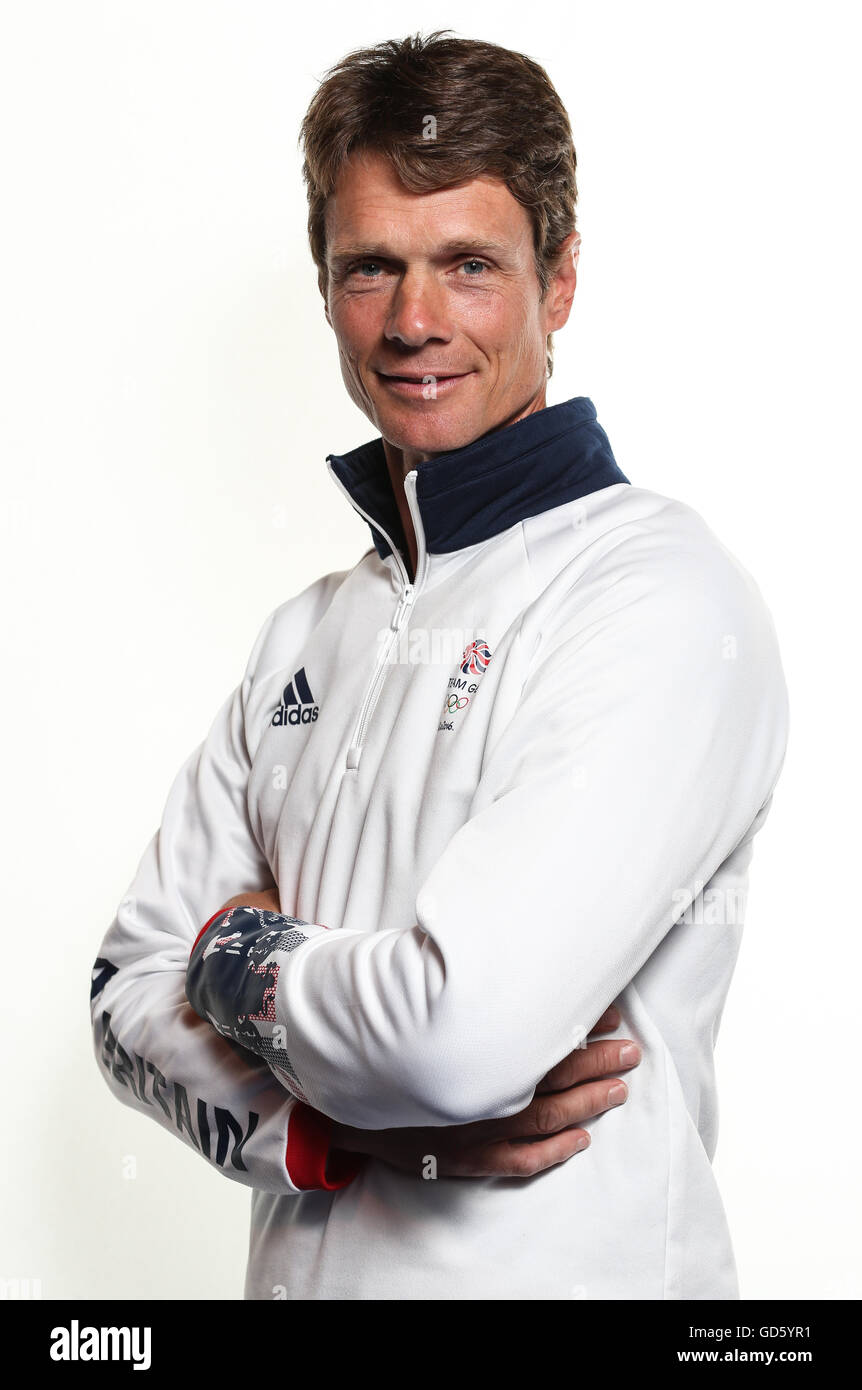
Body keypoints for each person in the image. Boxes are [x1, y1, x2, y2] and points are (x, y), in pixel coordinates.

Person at [90, 31, 789, 1300]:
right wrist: (336, 1126)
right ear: (324, 284)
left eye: (469, 265)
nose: (414, 322)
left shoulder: (655, 591)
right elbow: (118, 992)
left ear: (558, 280)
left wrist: (233, 958)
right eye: (372, 268)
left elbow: (456, 1036)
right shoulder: (302, 636)